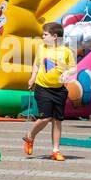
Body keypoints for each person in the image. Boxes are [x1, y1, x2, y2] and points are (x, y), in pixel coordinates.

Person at [23, 22, 76, 160]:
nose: (43, 37)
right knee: (45, 118)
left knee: (57, 120)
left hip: (59, 90)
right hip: (42, 88)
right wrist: (32, 77)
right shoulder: (42, 48)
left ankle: (56, 150)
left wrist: (67, 73)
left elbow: (73, 68)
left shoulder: (66, 51)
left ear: (54, 36)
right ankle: (30, 136)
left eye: (45, 35)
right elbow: (36, 64)